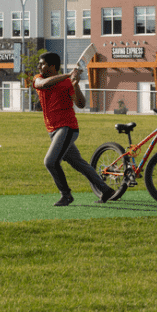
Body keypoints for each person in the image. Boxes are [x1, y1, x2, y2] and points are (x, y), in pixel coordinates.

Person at [34, 52, 116, 206]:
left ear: (52, 66)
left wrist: (75, 85)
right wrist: (68, 75)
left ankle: (66, 195)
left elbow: (81, 104)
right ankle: (106, 190)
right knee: (79, 164)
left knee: (50, 162)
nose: (39, 66)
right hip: (53, 130)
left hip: (67, 128)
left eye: (42, 63)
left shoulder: (67, 83)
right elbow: (42, 85)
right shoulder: (39, 79)